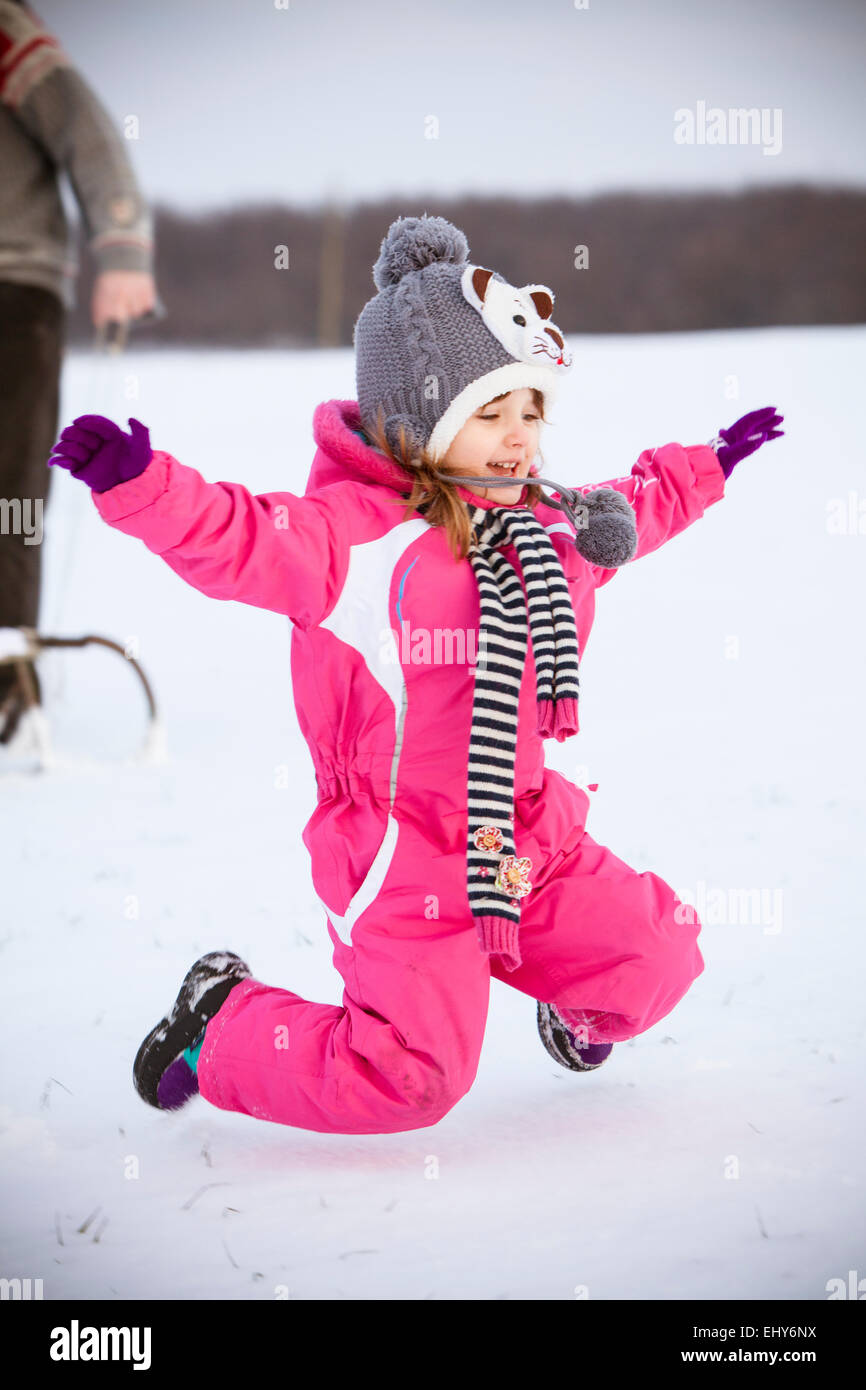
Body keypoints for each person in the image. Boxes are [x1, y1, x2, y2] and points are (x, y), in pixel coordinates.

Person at [47, 214, 783, 1133]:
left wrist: (708, 465)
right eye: (490, 412)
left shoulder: (549, 527)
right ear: (419, 419)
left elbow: (632, 512)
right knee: (408, 1082)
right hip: (406, 856)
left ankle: (565, 986)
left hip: (518, 836)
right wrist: (145, 486)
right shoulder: (352, 541)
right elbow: (244, 539)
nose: (520, 438)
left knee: (660, 955)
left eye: (531, 409)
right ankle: (219, 1022)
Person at [0, 0, 157, 743]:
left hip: (11, 289)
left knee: (9, 499)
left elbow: (86, 131)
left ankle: (6, 678)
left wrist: (121, 249)